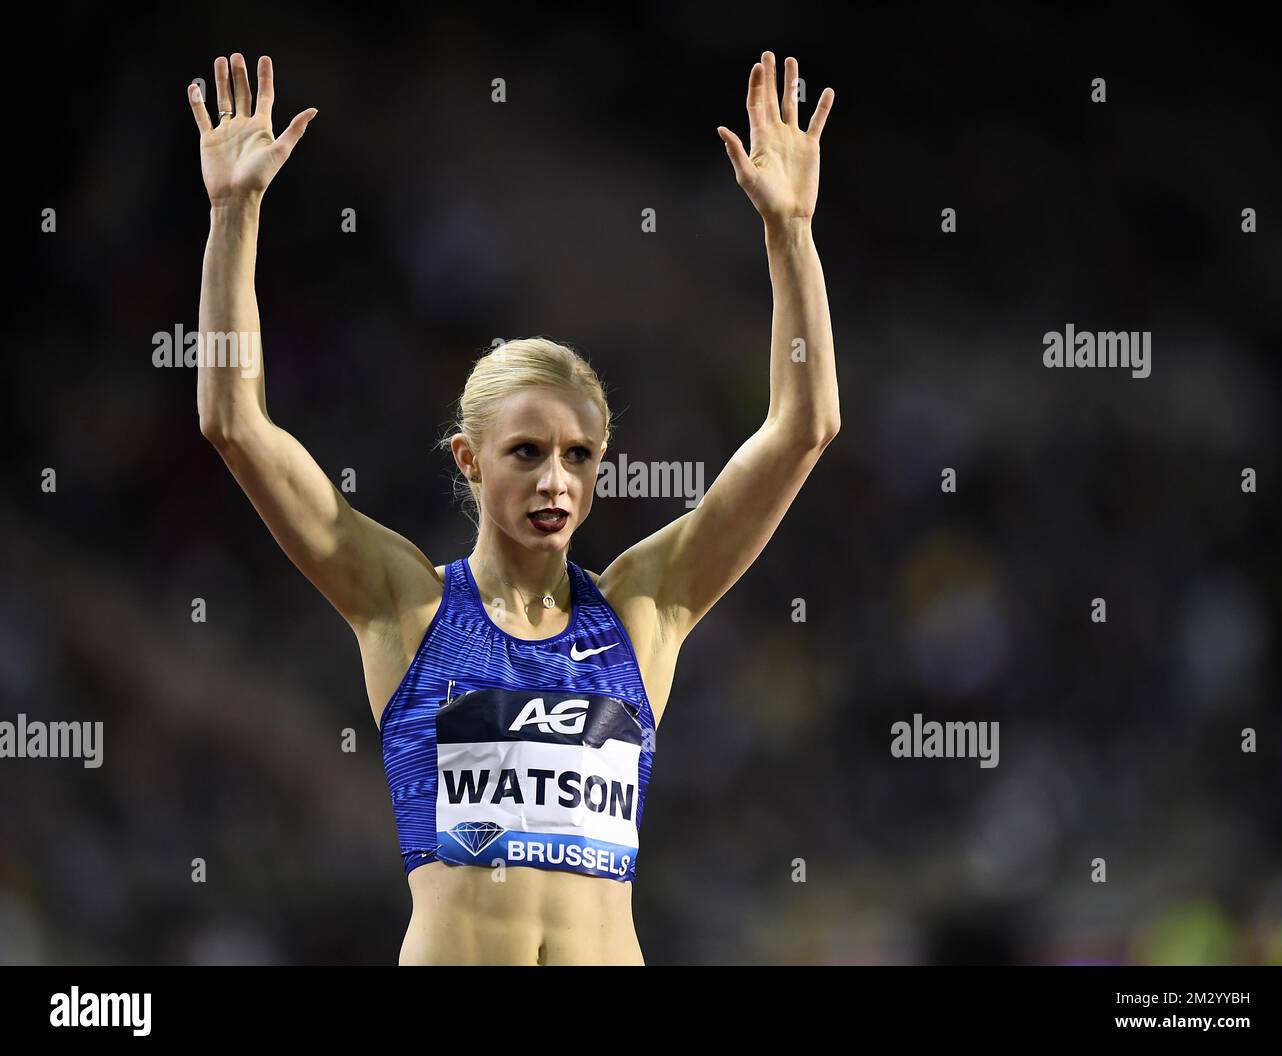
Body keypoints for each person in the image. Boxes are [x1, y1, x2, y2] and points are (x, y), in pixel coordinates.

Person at [190, 49, 839, 965]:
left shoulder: (646, 614)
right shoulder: (405, 607)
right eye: (526, 454)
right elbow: (233, 423)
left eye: (579, 457)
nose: (556, 483)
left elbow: (804, 425)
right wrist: (233, 216)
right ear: (469, 459)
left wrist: (792, 231)